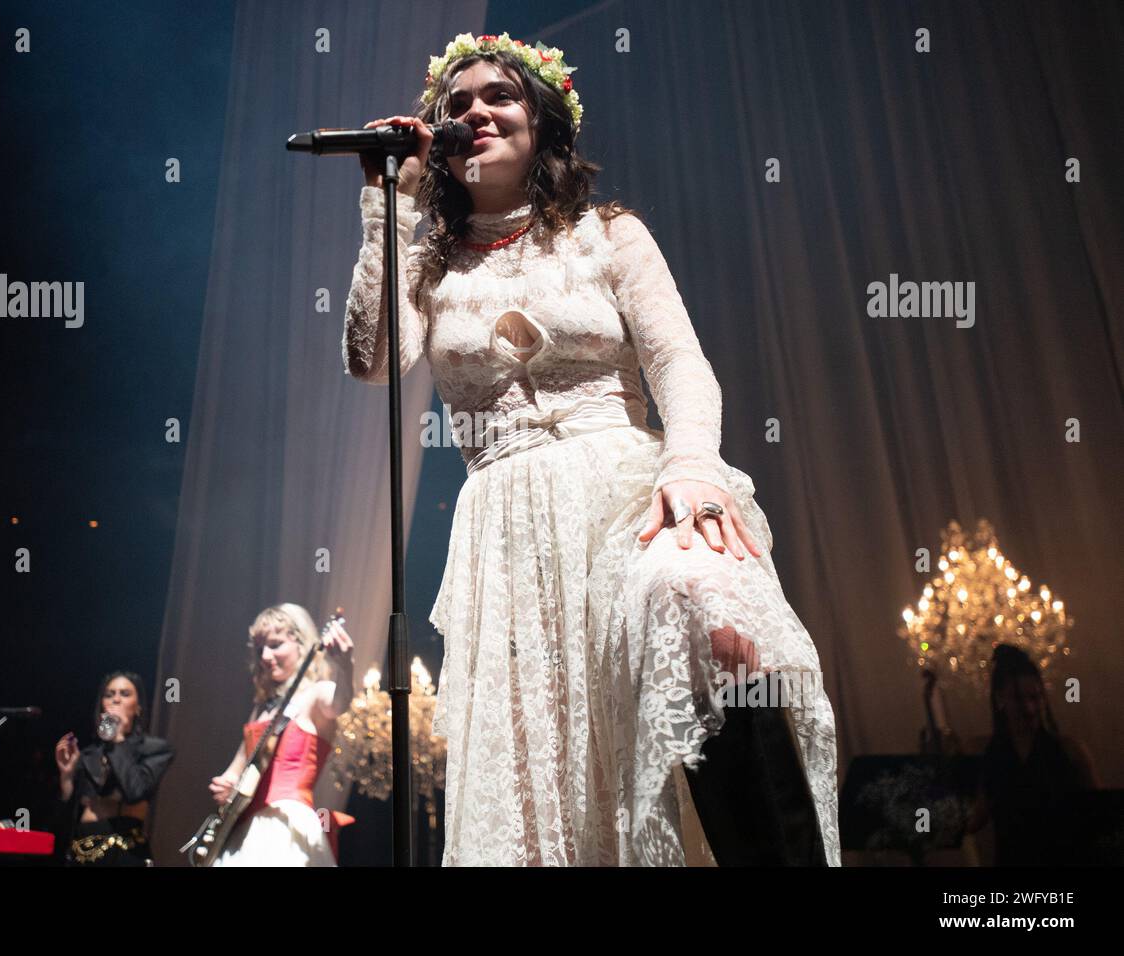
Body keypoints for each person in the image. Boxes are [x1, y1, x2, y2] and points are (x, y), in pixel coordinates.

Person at [344, 32, 840, 865]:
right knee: (550, 757)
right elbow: (372, 360)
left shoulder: (607, 233)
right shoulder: (429, 266)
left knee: (704, 605)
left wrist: (691, 468)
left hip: (626, 489)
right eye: (456, 104)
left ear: (542, 122)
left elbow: (680, 361)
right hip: (507, 530)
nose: (475, 112)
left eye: (497, 96)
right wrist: (388, 202)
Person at [210, 603, 356, 866]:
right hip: (245, 827)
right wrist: (225, 784)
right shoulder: (262, 708)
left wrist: (345, 666)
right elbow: (237, 769)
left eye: (275, 645)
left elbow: (340, 702)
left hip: (285, 824)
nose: (265, 656)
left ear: (301, 644)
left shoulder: (315, 694)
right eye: (260, 648)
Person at [966, 644, 1099, 864]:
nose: (1029, 709)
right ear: (999, 699)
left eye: (1035, 698)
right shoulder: (984, 753)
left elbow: (1099, 817)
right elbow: (973, 820)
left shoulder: (1071, 750)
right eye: (1018, 699)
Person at [53, 671, 174, 866]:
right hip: (85, 847)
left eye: (125, 694)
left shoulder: (156, 749)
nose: (115, 700)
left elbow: (135, 791)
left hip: (126, 848)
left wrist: (117, 740)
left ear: (138, 707)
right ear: (102, 705)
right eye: (109, 694)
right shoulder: (88, 754)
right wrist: (66, 777)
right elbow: (68, 817)